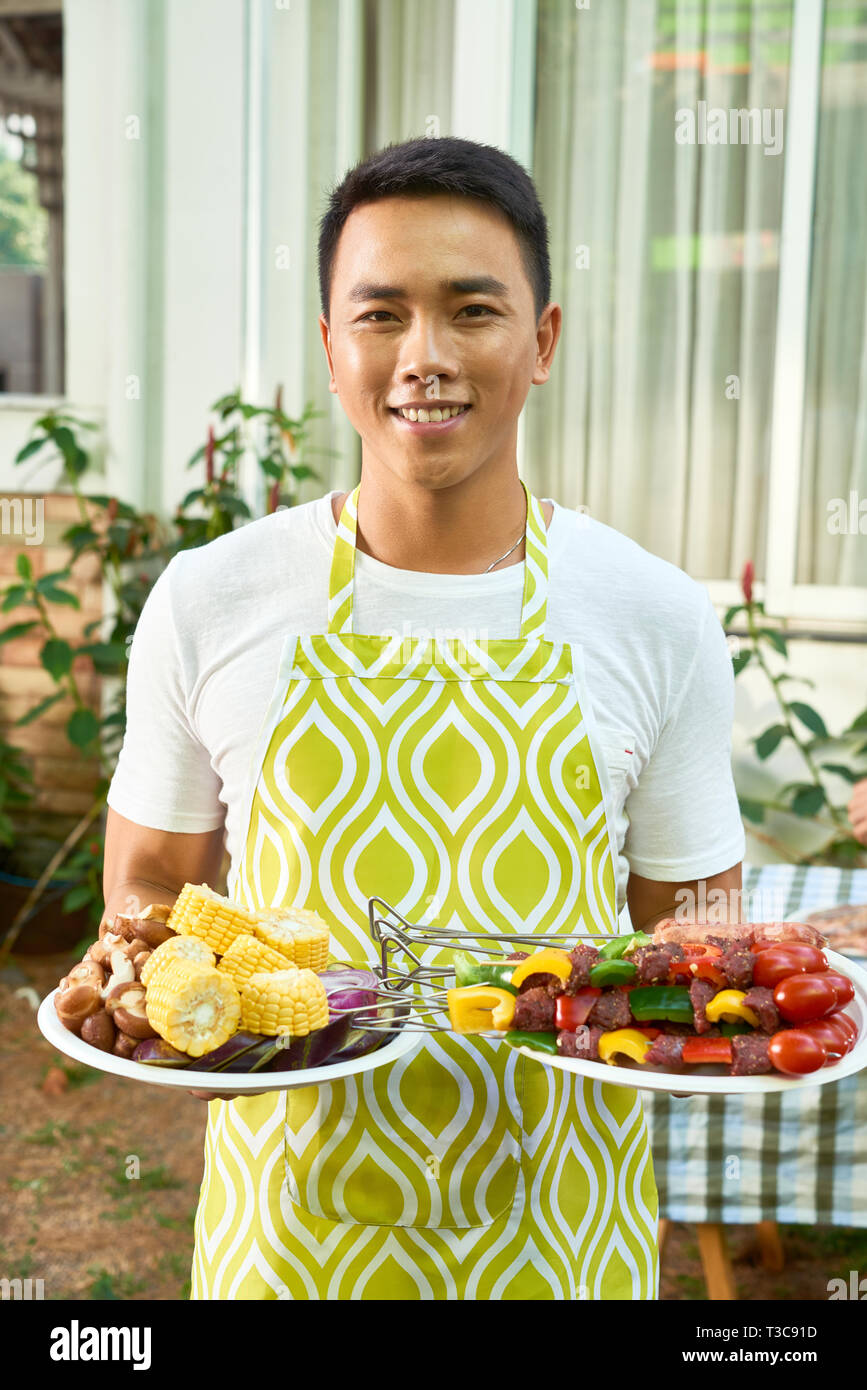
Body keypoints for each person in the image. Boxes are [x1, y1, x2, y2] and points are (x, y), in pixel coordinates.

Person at [103, 136, 744, 1300]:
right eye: (382, 314)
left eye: (473, 310)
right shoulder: (212, 598)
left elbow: (694, 909)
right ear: (332, 349)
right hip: (286, 1240)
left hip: (565, 1230)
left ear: (542, 342)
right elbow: (147, 880)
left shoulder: (654, 614)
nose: (426, 357)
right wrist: (184, 1014)